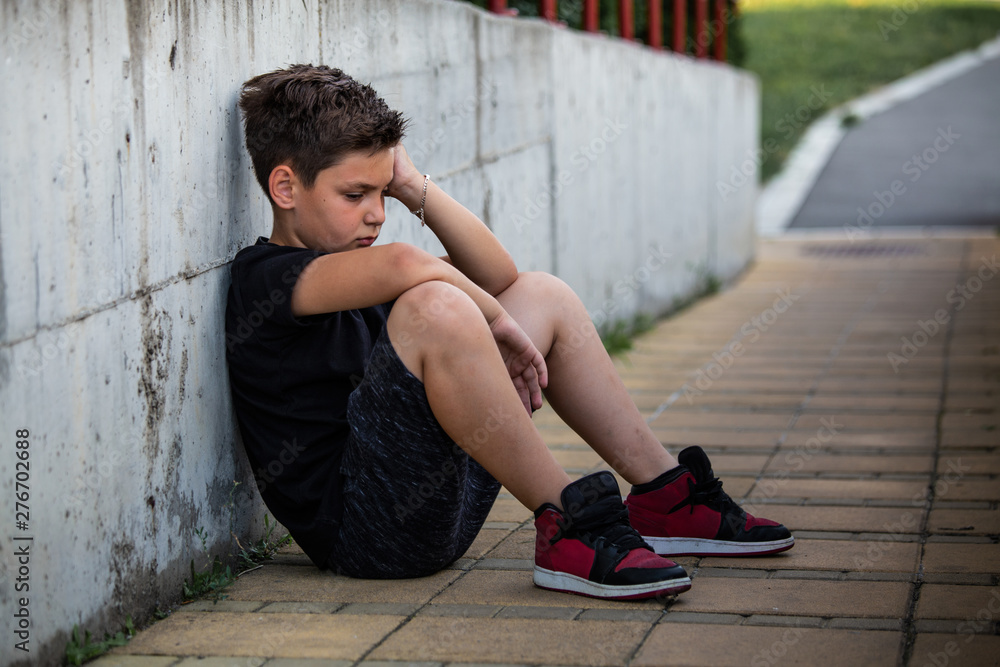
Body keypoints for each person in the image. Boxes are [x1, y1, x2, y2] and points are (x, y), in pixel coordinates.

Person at [225, 64, 793, 602]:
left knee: (541, 292)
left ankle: (665, 495)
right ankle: (570, 525)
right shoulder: (264, 281)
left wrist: (411, 183)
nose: (377, 213)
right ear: (286, 188)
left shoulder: (367, 260)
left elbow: (500, 275)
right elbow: (407, 267)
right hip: (370, 535)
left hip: (443, 500)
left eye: (382, 193)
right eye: (356, 195)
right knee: (438, 304)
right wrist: (494, 323)